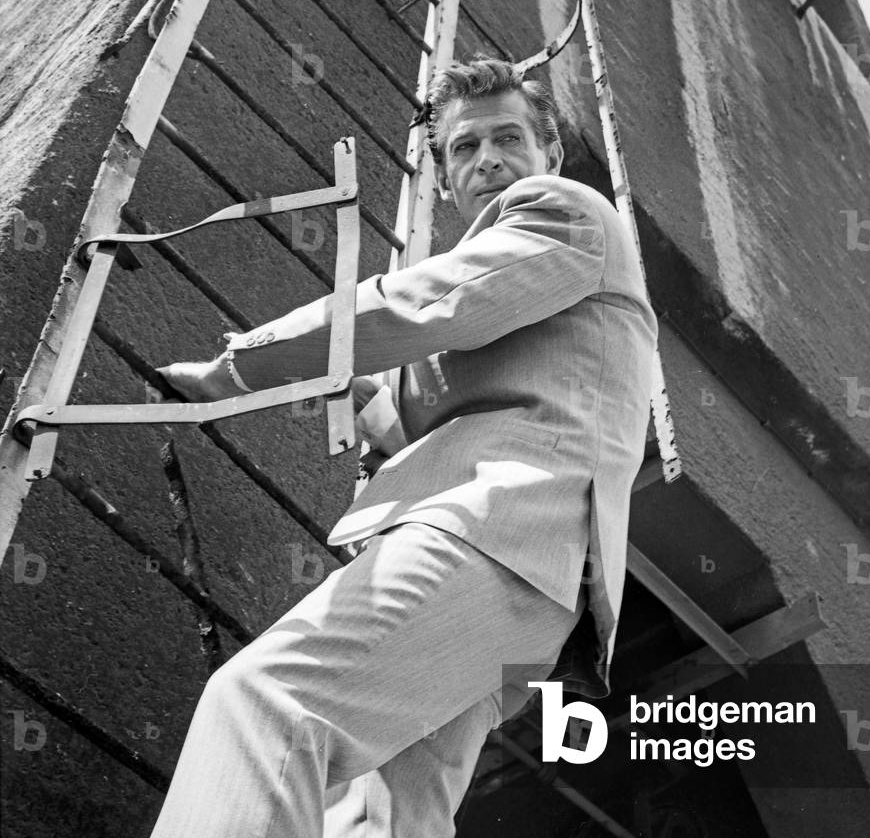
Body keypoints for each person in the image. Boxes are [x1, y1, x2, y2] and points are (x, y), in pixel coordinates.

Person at [148, 57, 657, 837]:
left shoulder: (563, 211)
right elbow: (442, 412)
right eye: (463, 148)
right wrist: (368, 401)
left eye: (507, 138)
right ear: (446, 177)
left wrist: (242, 365)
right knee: (382, 823)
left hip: (496, 535)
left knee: (267, 704)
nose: (487, 159)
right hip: (523, 596)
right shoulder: (535, 287)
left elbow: (428, 304)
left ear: (548, 154)